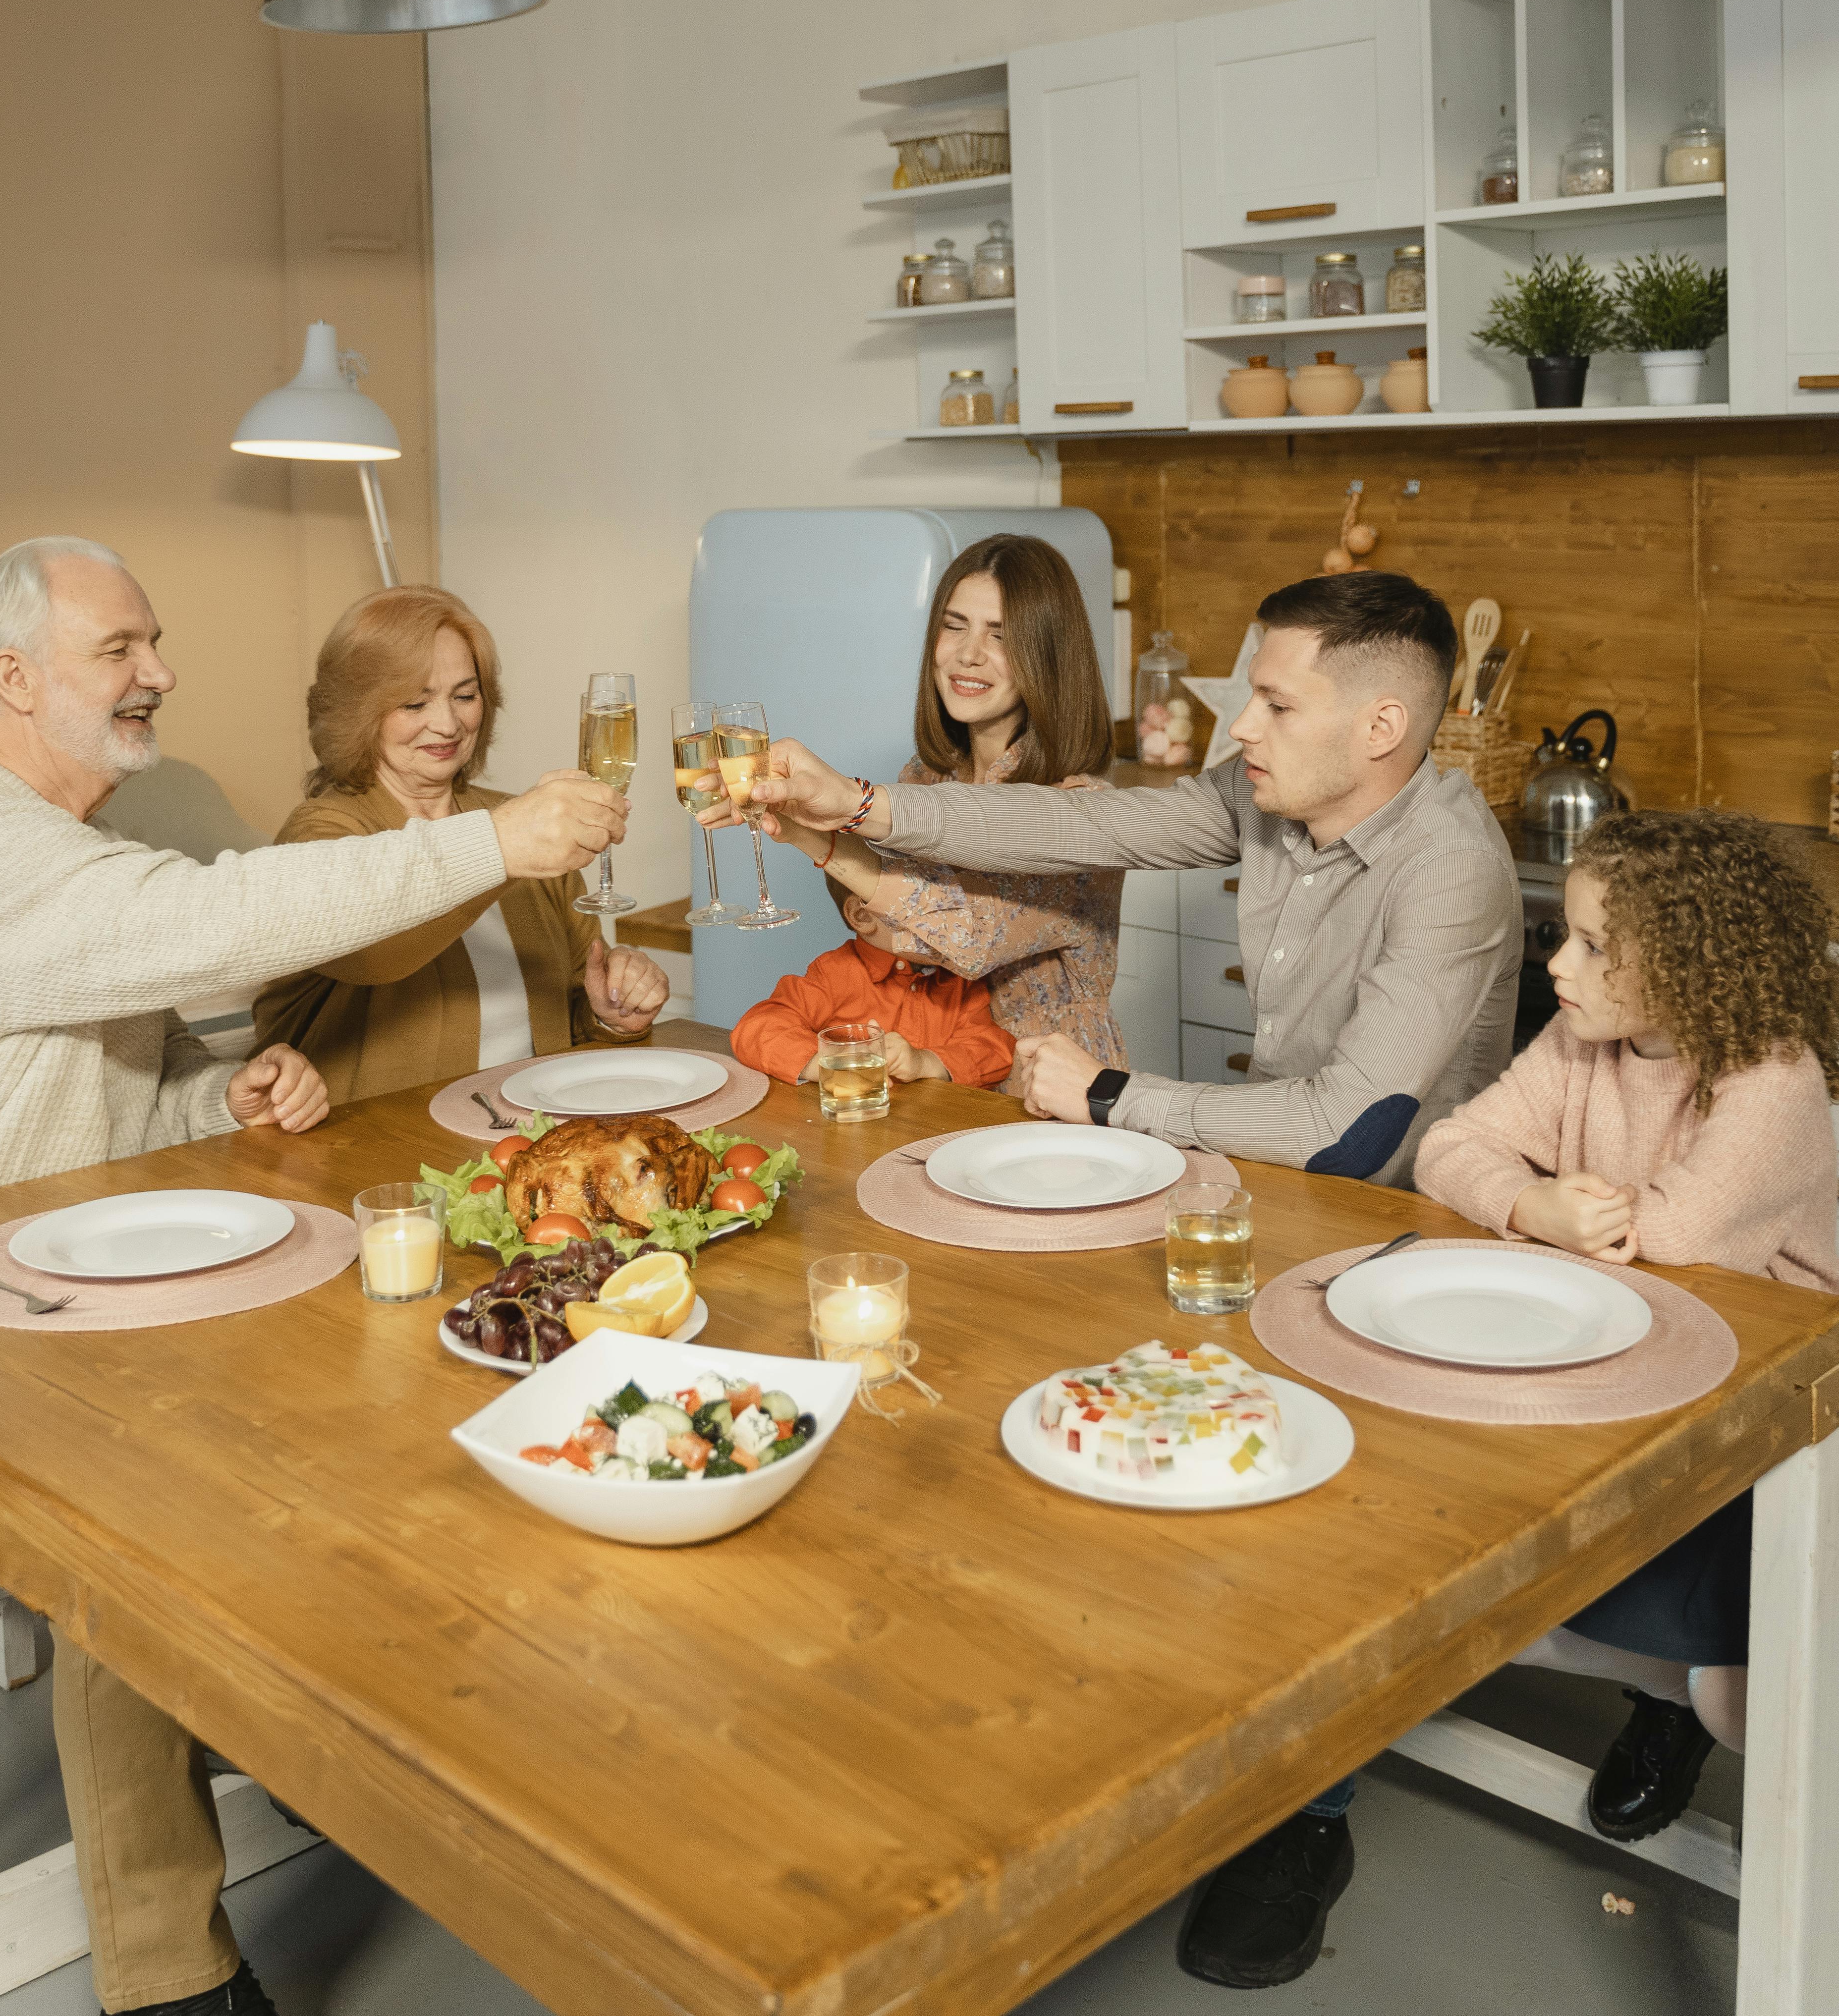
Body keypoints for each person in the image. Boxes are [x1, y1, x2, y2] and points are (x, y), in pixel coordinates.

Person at [730, 568, 1523, 1988]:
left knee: (1317, 1529)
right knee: (1179, 1470)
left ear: (1385, 725)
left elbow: (1351, 1126)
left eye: (1272, 703)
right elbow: (1079, 816)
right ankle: (1161, 1748)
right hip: (1263, 1189)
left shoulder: (1447, 865)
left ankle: (1303, 1818)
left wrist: (1109, 1094)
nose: (1242, 728)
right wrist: (857, 805)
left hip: (1402, 1223)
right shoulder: (1266, 790)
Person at [0, 537, 628, 2016]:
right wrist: (498, 840)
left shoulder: (71, 861)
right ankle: (167, 1975)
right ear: (19, 681)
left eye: (156, 640)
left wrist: (218, 1106)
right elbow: (225, 915)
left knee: (336, 1398)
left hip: (60, 1269)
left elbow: (128, 1088)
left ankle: (363, 1761)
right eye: (122, 649)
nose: (160, 672)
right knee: (140, 1523)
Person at [1417, 809, 1839, 1839]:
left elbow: (1674, 1239)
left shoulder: (1774, 1077)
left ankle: (1679, 1695)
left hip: (1782, 1397)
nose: (1559, 962)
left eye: (1595, 945)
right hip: (1637, 1339)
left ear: (1692, 962)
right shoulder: (1579, 1036)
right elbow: (1451, 1145)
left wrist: (1554, 1206)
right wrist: (1531, 1205)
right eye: (1565, 931)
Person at [254, 587, 667, 1099]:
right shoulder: (321, 833)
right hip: (378, 1156)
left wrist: (614, 1015)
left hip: (523, 1142)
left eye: (465, 696)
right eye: (414, 702)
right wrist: (506, 851)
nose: (448, 724)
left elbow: (576, 1027)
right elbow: (372, 953)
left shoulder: (522, 820)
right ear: (358, 712)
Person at [760, 532, 1126, 1077]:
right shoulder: (925, 777)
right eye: (954, 626)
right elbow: (891, 931)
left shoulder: (1079, 810)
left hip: (1045, 1092)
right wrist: (786, 816)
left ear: (1048, 657)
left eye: (1000, 636)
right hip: (937, 1084)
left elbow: (965, 938)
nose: (967, 654)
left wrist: (812, 835)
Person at [731, 872, 1014, 1088]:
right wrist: (829, 1065)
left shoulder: (960, 979)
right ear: (862, 916)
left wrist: (924, 1062)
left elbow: (994, 1048)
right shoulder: (834, 973)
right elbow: (757, 1027)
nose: (959, 924)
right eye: (933, 909)